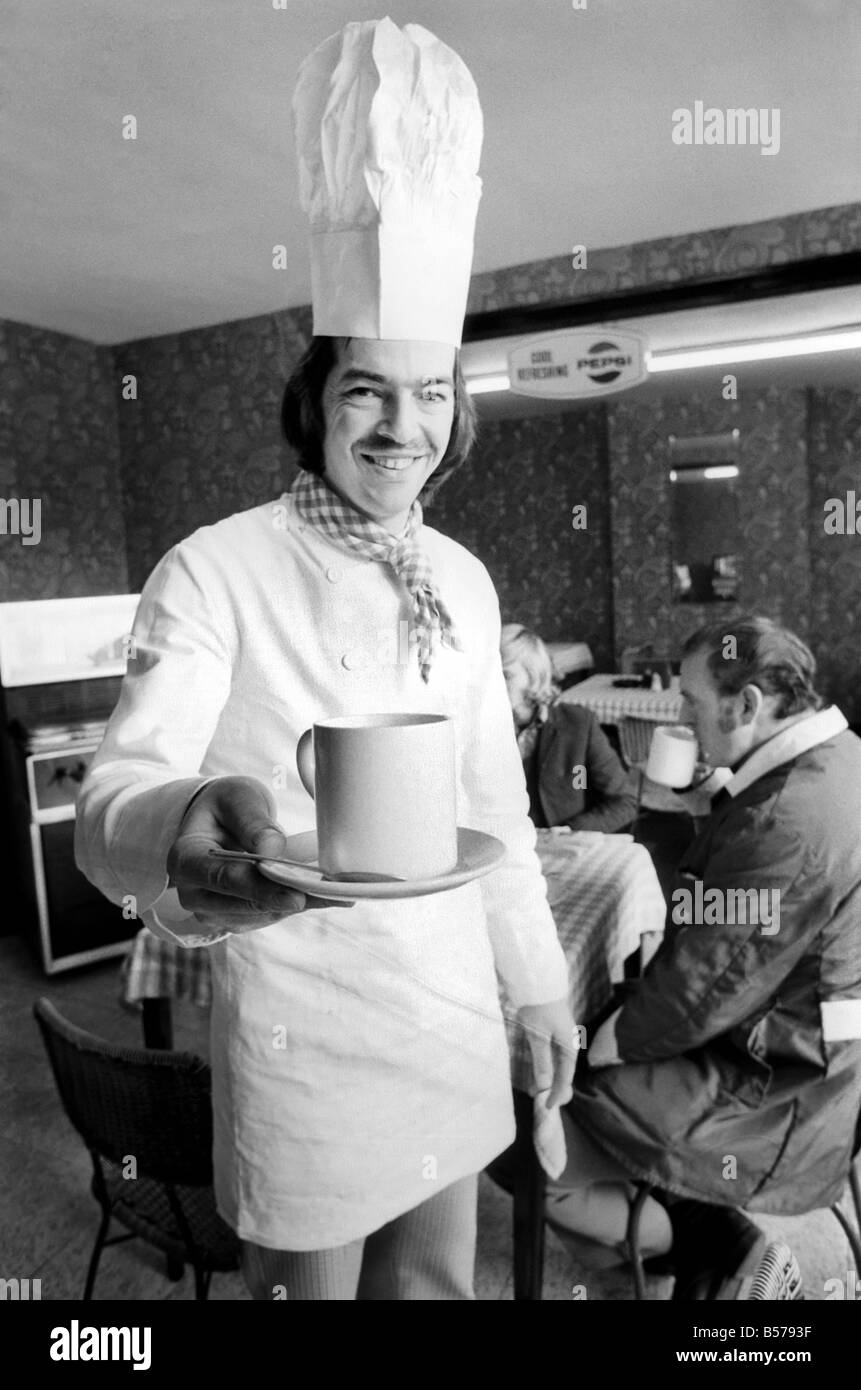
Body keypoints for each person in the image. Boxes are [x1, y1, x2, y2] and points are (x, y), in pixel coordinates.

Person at [75, 18, 574, 1302]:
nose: (402, 427)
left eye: (431, 394)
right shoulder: (214, 566)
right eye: (368, 392)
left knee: (440, 1297)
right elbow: (111, 801)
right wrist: (188, 825)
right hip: (304, 1028)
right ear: (318, 398)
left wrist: (535, 995)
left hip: (453, 1017)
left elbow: (497, 819)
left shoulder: (462, 579)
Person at [546, 615, 861, 1298]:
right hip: (808, 1035)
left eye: (690, 702)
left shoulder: (784, 819)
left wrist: (600, 1042)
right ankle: (703, 1255)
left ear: (746, 704)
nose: (682, 718)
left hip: (782, 1076)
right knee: (596, 1033)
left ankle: (721, 1251)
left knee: (543, 1104)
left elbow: (701, 989)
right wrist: (699, 804)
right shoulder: (836, 759)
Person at [500, 624, 638, 834]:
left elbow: (624, 802)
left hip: (561, 847)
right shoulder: (481, 733)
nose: (494, 685)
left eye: (505, 675)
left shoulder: (578, 726)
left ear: (533, 676)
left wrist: (573, 829)